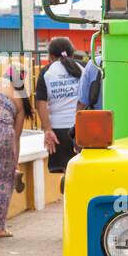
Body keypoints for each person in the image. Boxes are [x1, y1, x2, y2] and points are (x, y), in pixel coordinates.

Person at [35, 37, 82, 188]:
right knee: (83, 168)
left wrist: (47, 129)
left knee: (66, 171)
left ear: (50, 56)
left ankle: (69, 200)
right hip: (81, 127)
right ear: (72, 54)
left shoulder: (46, 72)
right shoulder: (83, 68)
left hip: (58, 130)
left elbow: (40, 103)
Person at [0, 69, 25, 238]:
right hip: (2, 135)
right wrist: (14, 165)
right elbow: (16, 137)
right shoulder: (13, 90)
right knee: (3, 181)